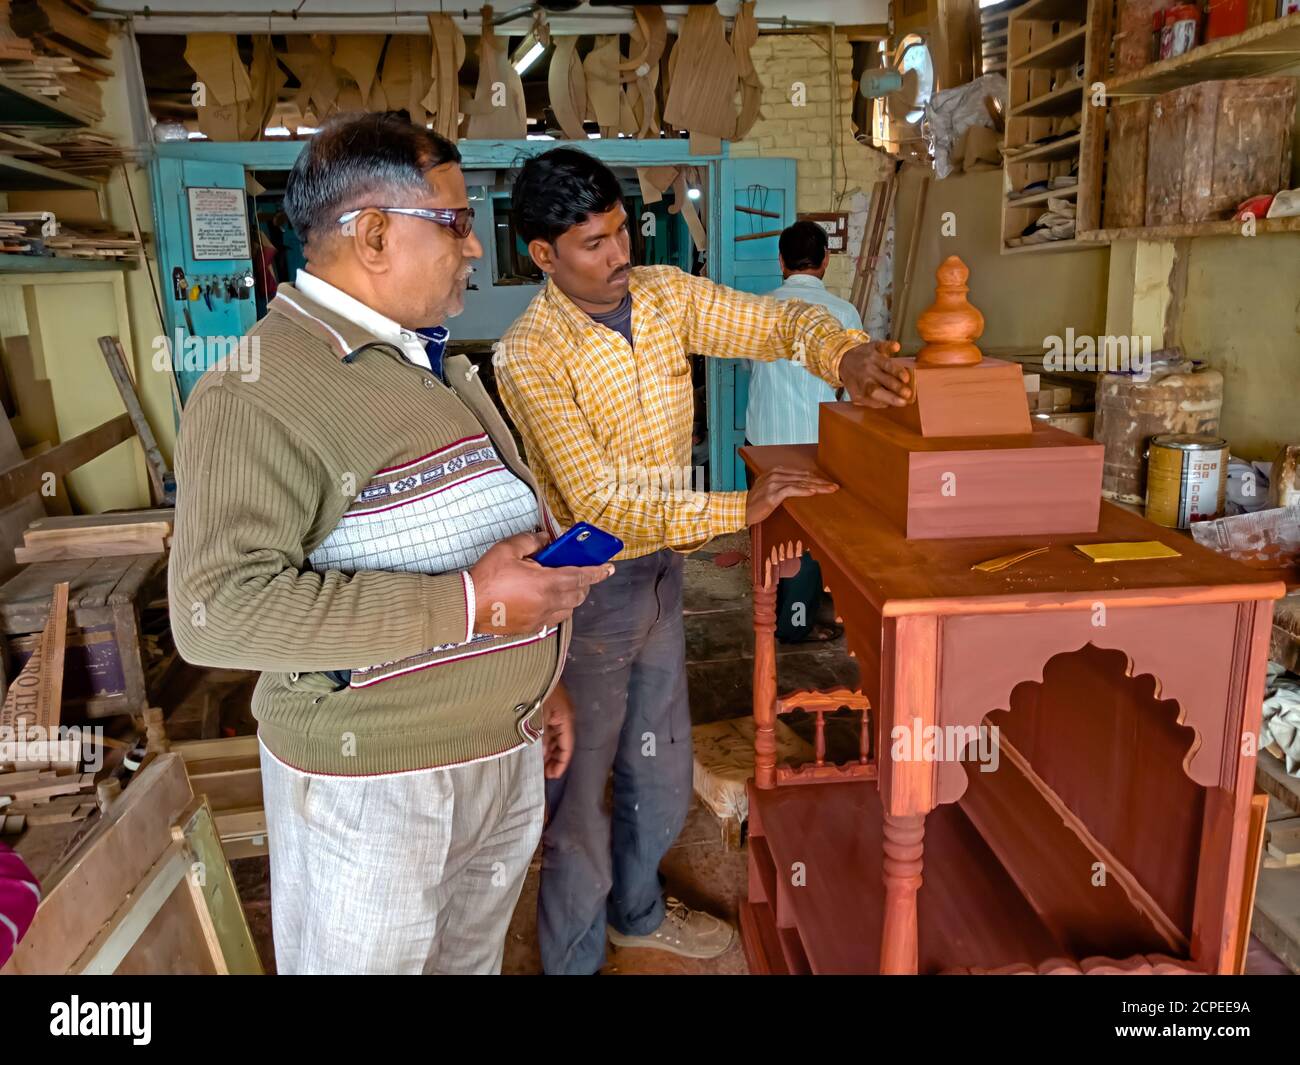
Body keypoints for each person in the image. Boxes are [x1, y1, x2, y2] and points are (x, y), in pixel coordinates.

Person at [168, 113, 612, 975]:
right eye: (454, 223)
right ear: (373, 234)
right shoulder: (257, 392)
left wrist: (538, 672)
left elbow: (476, 543)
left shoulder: (426, 360)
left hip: (495, 748)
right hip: (378, 789)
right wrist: (474, 604)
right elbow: (214, 612)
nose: (475, 249)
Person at [494, 147, 911, 975]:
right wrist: (739, 509)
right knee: (577, 794)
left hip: (661, 579)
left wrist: (846, 353)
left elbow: (775, 322)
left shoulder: (663, 296)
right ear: (543, 255)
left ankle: (637, 913)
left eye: (620, 232)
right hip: (588, 595)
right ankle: (571, 959)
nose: (618, 257)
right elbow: (603, 506)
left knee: (663, 759)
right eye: (592, 243)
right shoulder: (529, 354)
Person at [744, 219, 863, 643]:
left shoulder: (760, 310)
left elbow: (751, 367)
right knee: (810, 538)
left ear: (780, 262)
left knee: (767, 525)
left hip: (764, 444)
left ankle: (768, 607)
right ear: (826, 261)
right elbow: (853, 385)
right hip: (820, 444)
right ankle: (796, 624)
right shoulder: (844, 313)